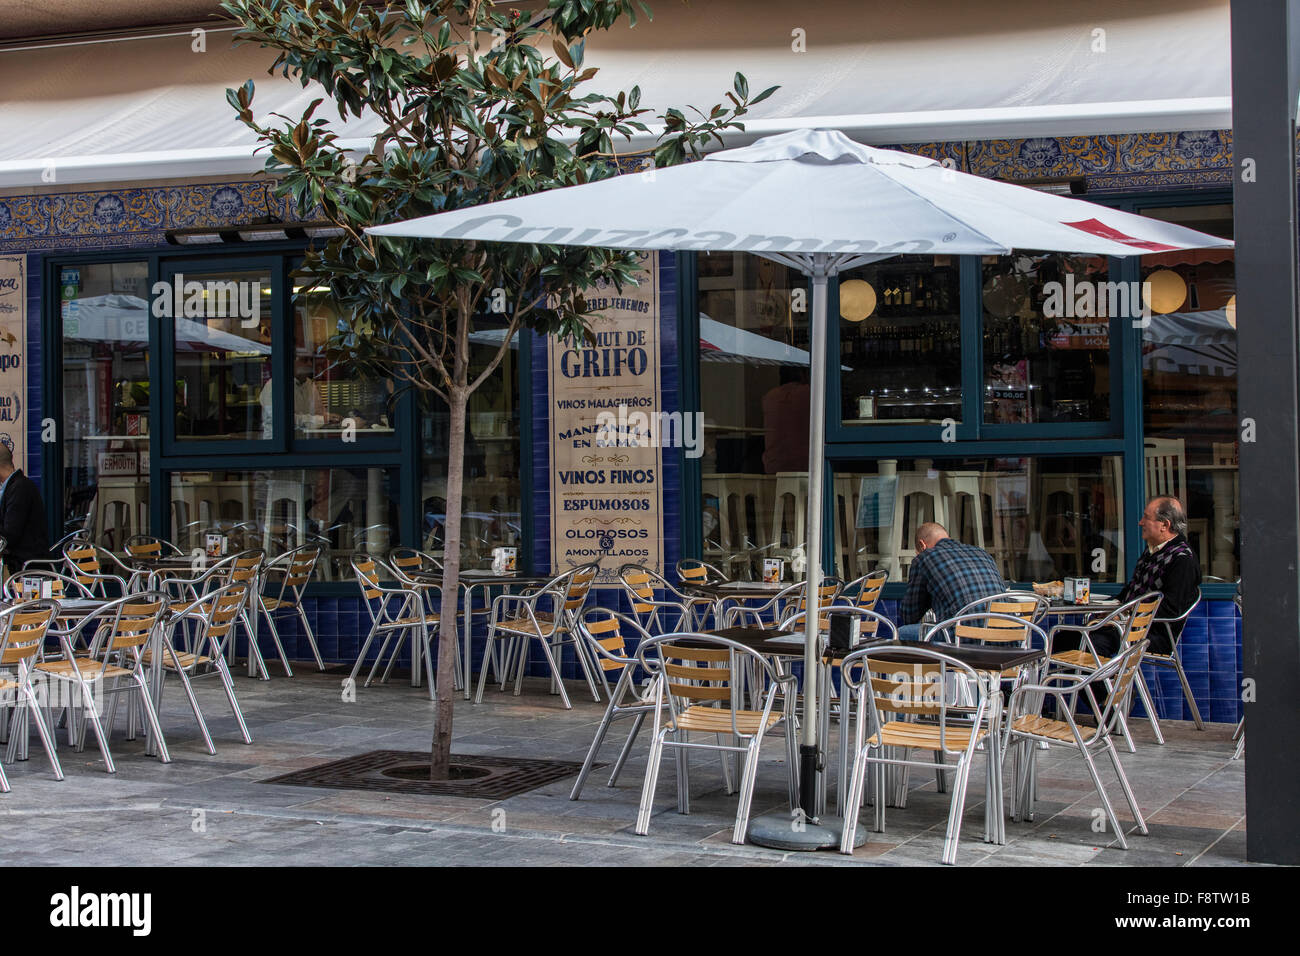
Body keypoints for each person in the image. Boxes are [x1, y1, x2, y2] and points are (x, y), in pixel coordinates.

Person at [1068, 496, 1202, 659]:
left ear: (1164, 525)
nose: (1140, 522)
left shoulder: (1182, 559)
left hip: (1152, 634)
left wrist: (1124, 614)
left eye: (1147, 517)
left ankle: (1099, 685)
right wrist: (1110, 607)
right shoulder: (1154, 550)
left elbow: (1170, 609)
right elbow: (1131, 592)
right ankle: (1086, 684)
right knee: (1065, 638)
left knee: (1092, 644)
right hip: (1127, 627)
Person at [896, 522, 1006, 641]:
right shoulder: (982, 553)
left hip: (963, 639)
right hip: (1008, 638)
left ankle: (940, 660)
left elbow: (909, 616)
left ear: (922, 545)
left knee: (901, 633)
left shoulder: (925, 557)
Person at [0, 444, 51, 570]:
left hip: (27, 570)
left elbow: (9, 536)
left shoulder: (20, 488)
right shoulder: (16, 486)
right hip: (21, 565)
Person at [761, 367, 810, 474]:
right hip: (805, 466)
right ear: (802, 374)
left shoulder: (769, 397)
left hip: (773, 466)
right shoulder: (810, 394)